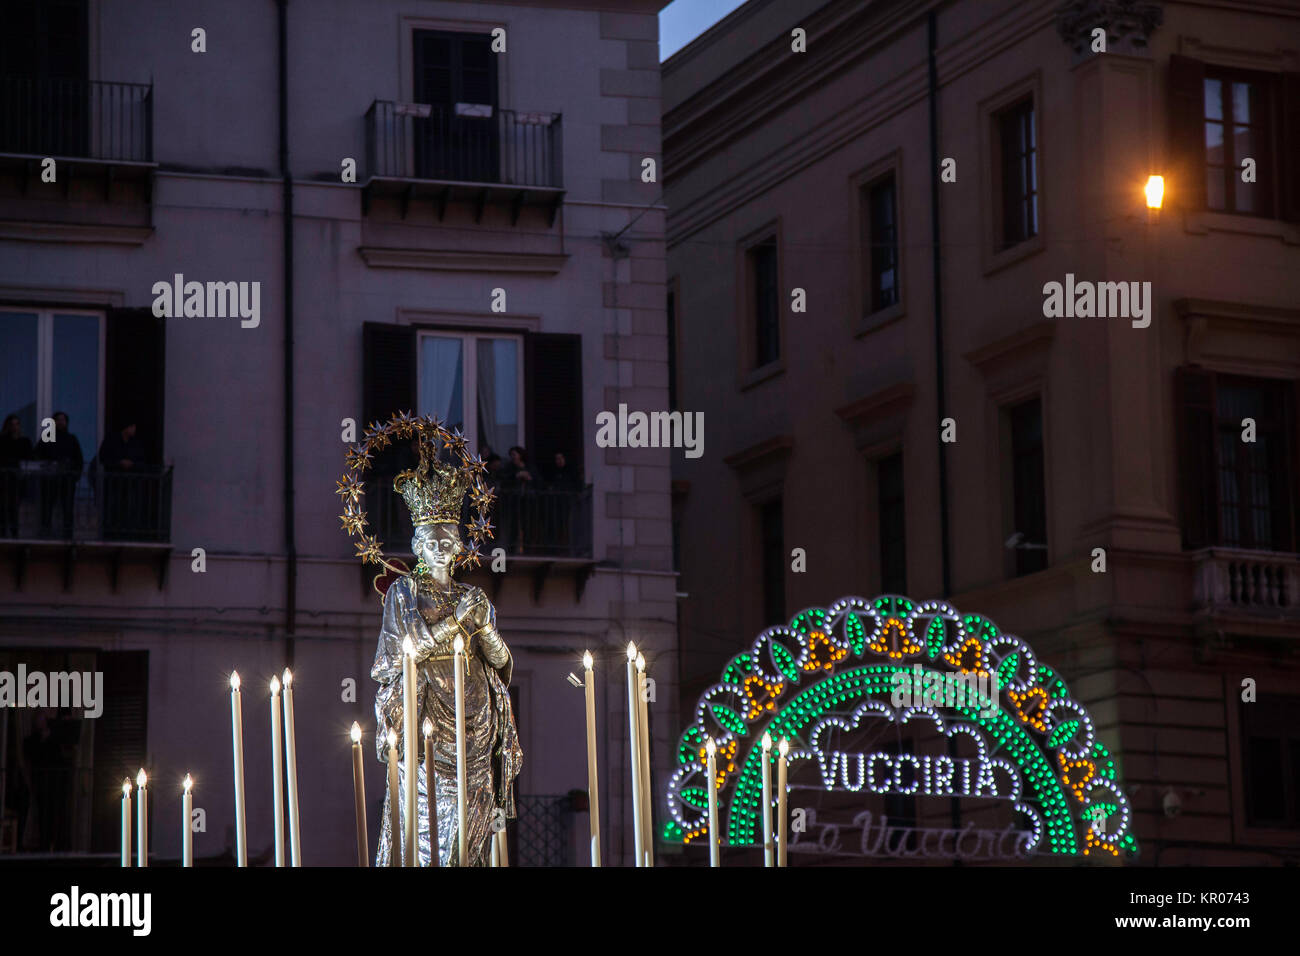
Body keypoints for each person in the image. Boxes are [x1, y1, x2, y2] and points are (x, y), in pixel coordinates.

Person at [370, 450, 522, 866]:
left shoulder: (473, 597)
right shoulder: (404, 594)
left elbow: (501, 662)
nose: (439, 547)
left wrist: (485, 629)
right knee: (425, 837)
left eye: (447, 539)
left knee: (467, 841)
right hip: (425, 725)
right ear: (418, 544)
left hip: (476, 724)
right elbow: (410, 649)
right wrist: (457, 622)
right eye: (430, 540)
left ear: (458, 544)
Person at [35, 412, 82, 538]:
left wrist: (74, 476)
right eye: (58, 420)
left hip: (67, 480)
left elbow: (79, 460)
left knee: (67, 508)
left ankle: (68, 534)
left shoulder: (71, 439)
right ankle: (45, 532)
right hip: (50, 480)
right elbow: (37, 455)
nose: (61, 422)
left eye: (63, 420)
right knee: (47, 507)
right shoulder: (48, 437)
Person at [97, 422, 145, 538]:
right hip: (114, 482)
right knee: (114, 506)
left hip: (130, 482)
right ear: (126, 427)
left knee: (129, 506)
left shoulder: (135, 444)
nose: (134, 429)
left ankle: (128, 532)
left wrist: (132, 464)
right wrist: (119, 463)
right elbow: (103, 457)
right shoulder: (112, 441)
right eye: (132, 426)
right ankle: (111, 532)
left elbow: (142, 460)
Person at [0, 414, 32, 536]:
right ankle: (3, 532)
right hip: (3, 480)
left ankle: (14, 532)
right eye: (12, 424)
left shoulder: (24, 442)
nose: (14, 427)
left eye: (17, 424)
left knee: (14, 507)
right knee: (3, 506)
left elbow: (30, 458)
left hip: (17, 480)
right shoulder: (2, 441)